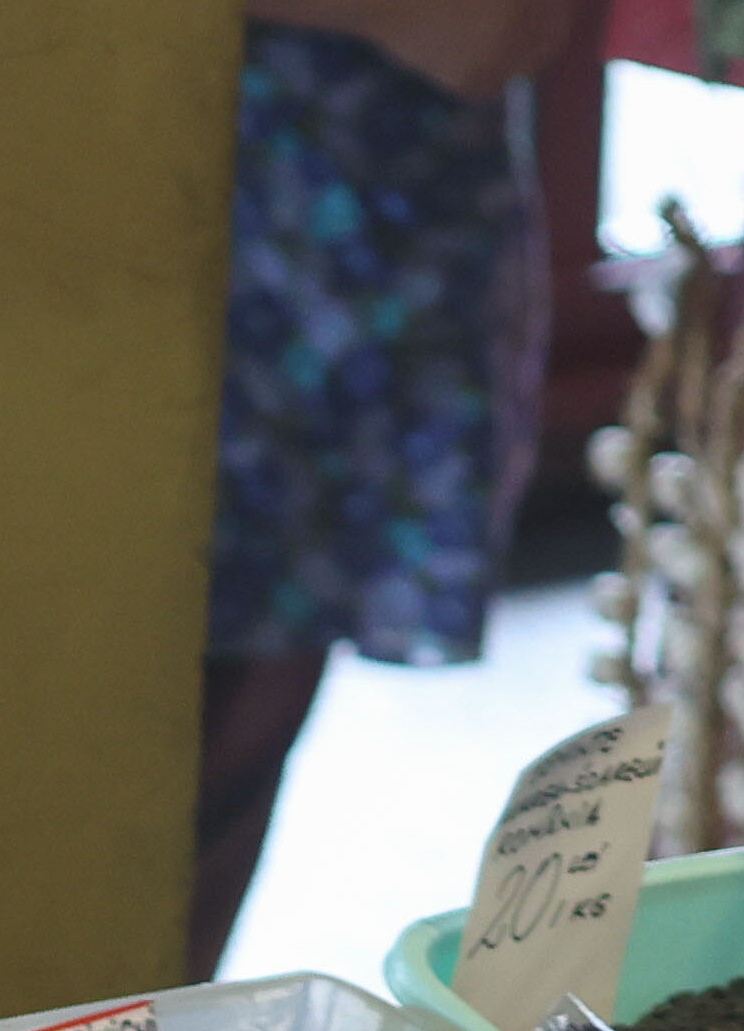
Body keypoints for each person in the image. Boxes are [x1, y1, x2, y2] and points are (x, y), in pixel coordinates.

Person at [191, 2, 578, 980]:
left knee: (244, 727)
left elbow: (500, 33)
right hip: (210, 202)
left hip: (382, 215)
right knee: (149, 716)